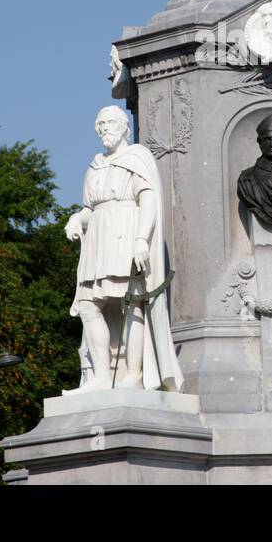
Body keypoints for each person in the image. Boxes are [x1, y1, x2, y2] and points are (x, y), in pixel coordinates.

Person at [65, 106, 183, 391]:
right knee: (88, 305)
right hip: (98, 239)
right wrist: (75, 219)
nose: (104, 128)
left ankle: (133, 374)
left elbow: (149, 199)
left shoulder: (137, 158)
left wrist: (142, 238)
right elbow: (89, 208)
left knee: (132, 302)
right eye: (100, 124)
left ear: (124, 127)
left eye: (110, 123)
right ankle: (103, 377)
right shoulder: (95, 165)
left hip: (126, 233)